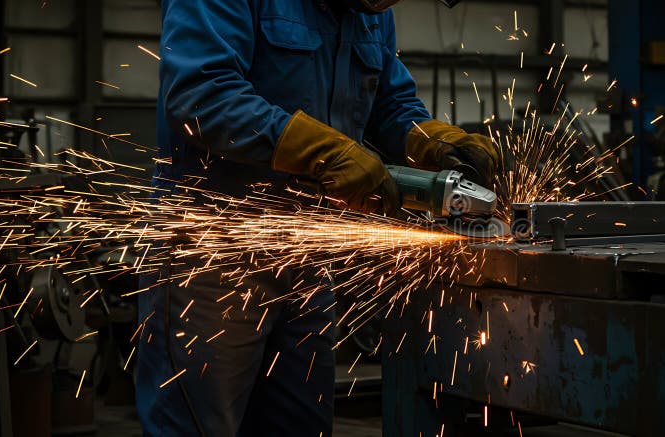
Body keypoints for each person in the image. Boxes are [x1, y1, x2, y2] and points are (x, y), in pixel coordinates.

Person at [136, 0, 497, 435]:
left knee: (300, 423)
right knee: (199, 426)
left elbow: (389, 104)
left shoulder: (370, 10)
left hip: (309, 252)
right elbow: (200, 95)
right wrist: (324, 152)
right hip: (217, 254)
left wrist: (429, 140)